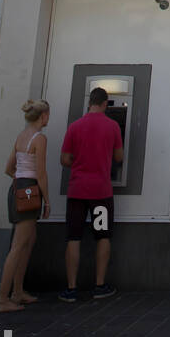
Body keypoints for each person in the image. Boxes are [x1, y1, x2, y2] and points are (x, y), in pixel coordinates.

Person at [58, 87, 122, 302]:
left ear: (89, 102)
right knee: (102, 236)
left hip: (77, 190)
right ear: (105, 104)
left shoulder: (75, 126)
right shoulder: (113, 126)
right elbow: (119, 157)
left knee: (74, 237)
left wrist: (80, 161)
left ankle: (71, 288)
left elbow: (65, 159)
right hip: (101, 192)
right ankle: (99, 285)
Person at [0, 98, 51, 312]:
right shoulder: (40, 139)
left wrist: (19, 180)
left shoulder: (21, 136)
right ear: (43, 116)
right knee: (19, 245)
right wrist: (46, 200)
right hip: (30, 188)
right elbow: (41, 173)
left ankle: (18, 291)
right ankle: (4, 298)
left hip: (18, 187)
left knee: (29, 239)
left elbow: (8, 167)